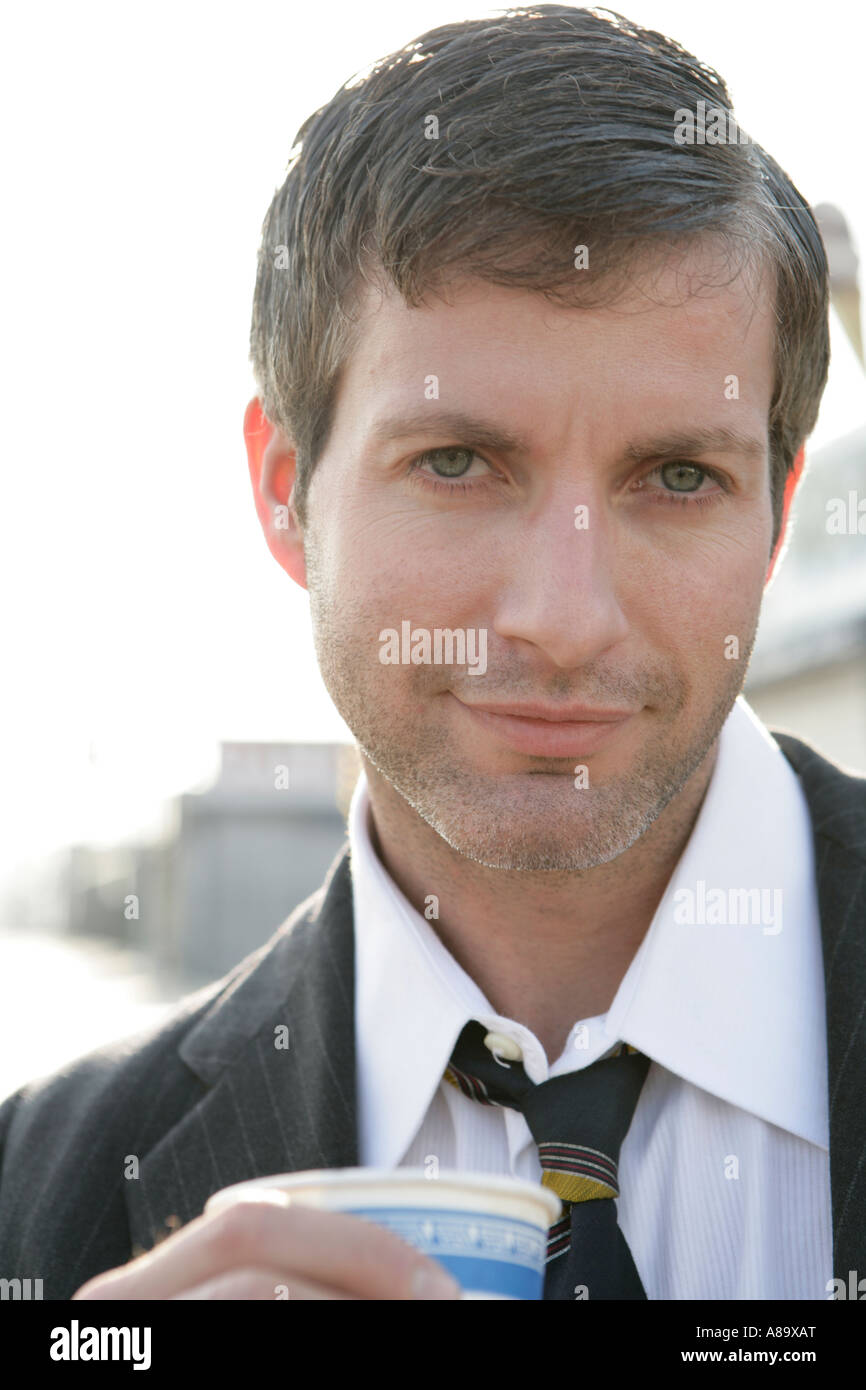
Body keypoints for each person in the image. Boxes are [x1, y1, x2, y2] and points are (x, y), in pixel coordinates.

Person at [1, 5, 864, 1302]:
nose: (564, 618)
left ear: (775, 516)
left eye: (676, 475)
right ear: (286, 491)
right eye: (455, 462)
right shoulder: (35, 1195)